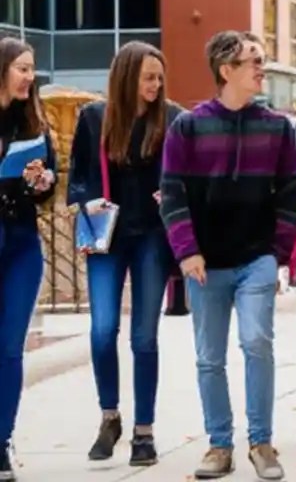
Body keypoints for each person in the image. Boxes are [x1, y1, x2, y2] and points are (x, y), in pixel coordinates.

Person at [160, 31, 296, 481]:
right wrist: (186, 253)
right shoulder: (188, 126)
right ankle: (220, 445)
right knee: (209, 357)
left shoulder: (277, 126)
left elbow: (292, 193)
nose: (262, 68)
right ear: (227, 70)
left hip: (256, 258)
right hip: (204, 262)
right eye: (253, 61)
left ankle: (261, 442)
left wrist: (277, 252)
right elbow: (172, 193)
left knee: (257, 341)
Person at [67, 42, 183, 466]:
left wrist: (171, 192)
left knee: (145, 337)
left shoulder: (173, 117)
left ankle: (144, 432)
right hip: (107, 236)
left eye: (159, 77)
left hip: (152, 234)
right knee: (102, 330)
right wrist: (89, 199)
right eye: (149, 77)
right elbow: (77, 177)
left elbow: (187, 171)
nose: (156, 85)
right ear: (127, 76)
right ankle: (110, 415)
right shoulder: (94, 118)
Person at [0, 39, 57, 481]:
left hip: (21, 244)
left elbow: (48, 189)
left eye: (31, 69)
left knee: (9, 350)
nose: (29, 76)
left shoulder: (36, 124)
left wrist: (43, 182)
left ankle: (1, 441)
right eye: (21, 68)